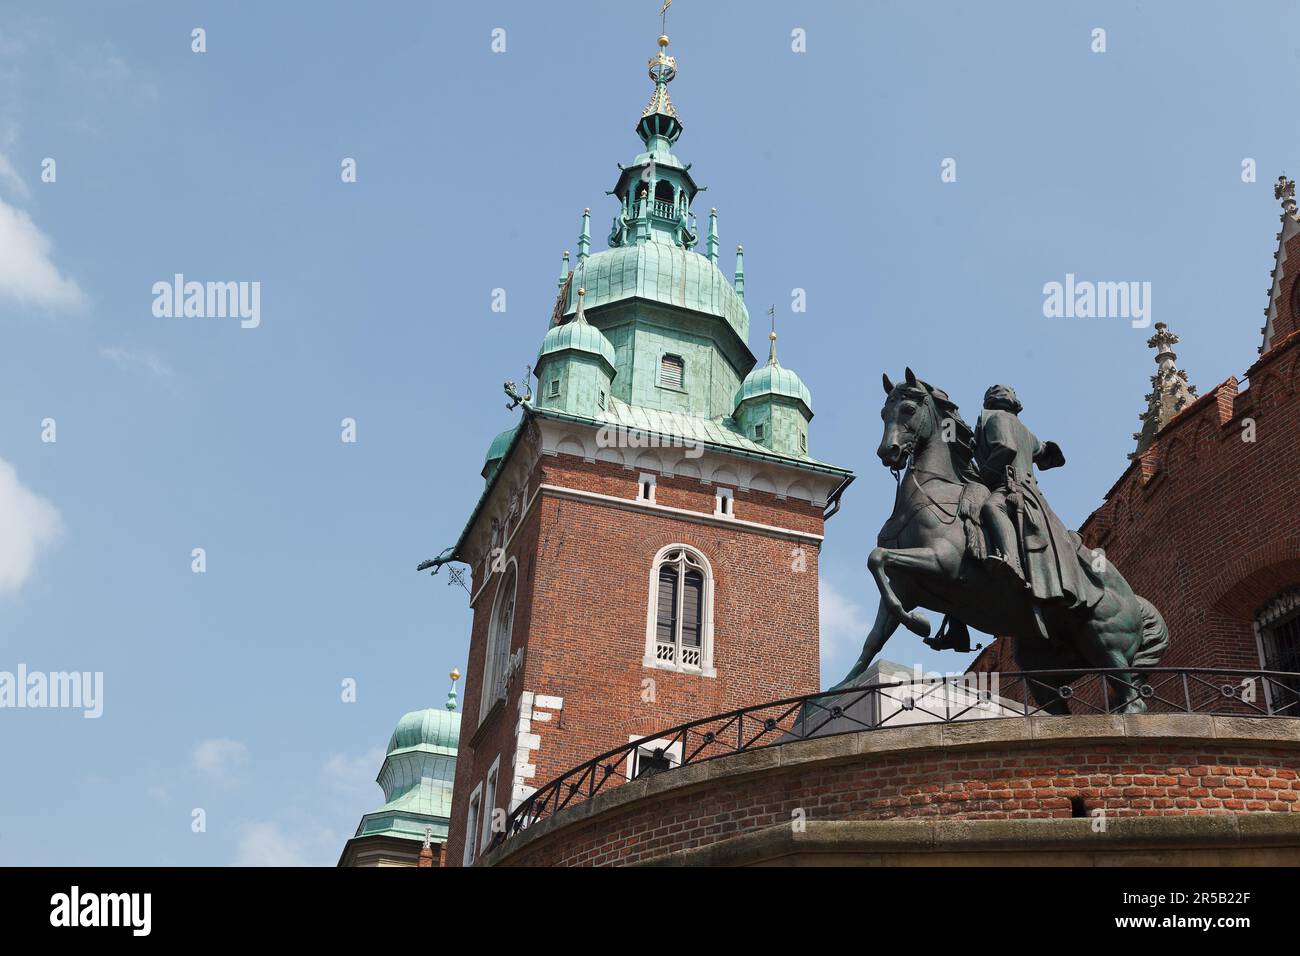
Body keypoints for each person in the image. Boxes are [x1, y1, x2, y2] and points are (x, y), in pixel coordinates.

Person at [974, 385, 1101, 636]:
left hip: (1010, 488)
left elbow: (1006, 448)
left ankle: (1010, 561)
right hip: (1032, 493)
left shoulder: (995, 418)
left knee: (990, 507)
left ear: (991, 401)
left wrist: (983, 477)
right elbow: (1049, 455)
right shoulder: (1027, 431)